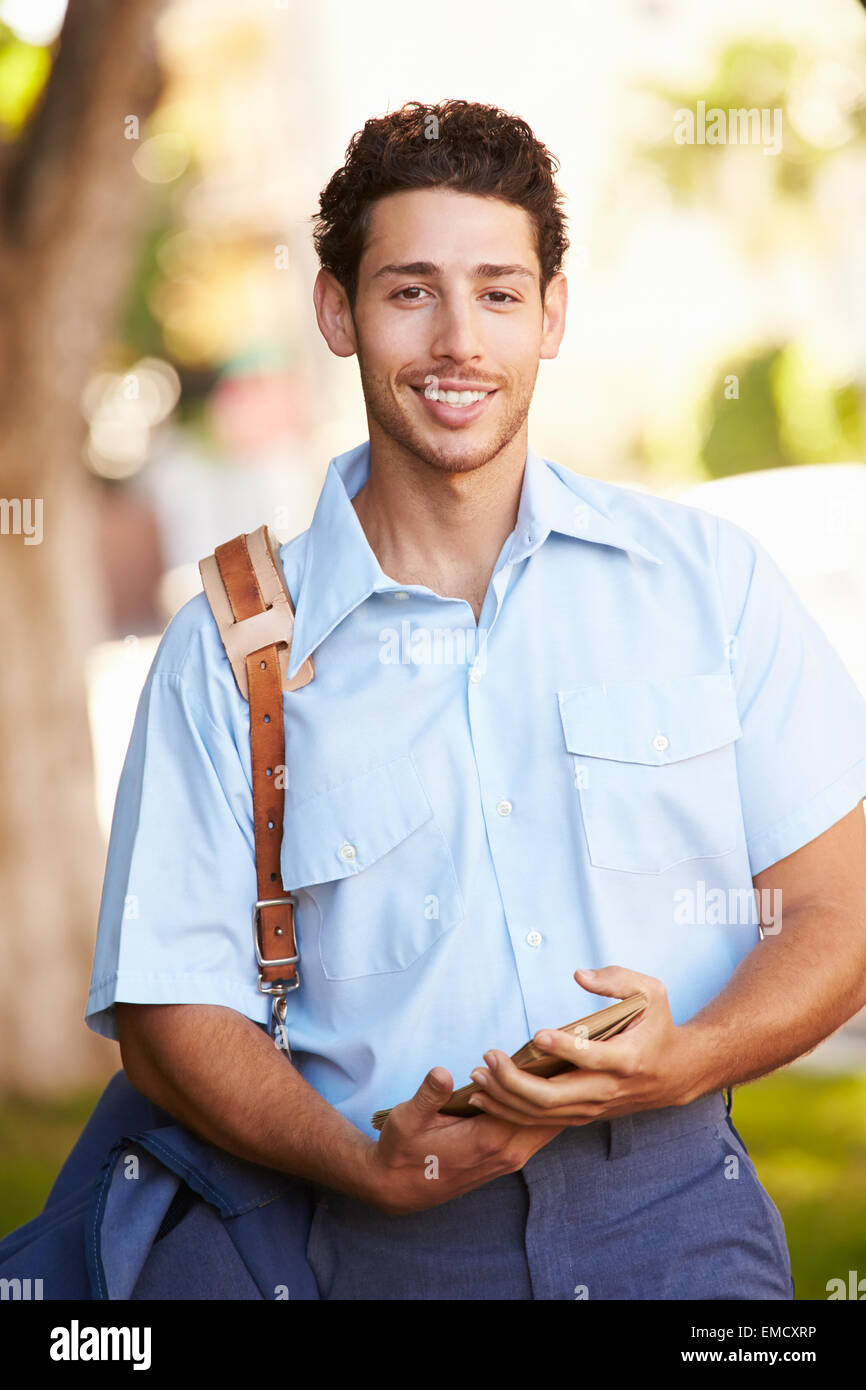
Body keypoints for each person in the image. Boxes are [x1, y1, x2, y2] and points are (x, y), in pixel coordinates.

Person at [86, 100, 866, 1300]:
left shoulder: (703, 583)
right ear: (337, 311)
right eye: (411, 290)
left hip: (675, 1222)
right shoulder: (228, 651)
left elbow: (838, 903)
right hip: (368, 1240)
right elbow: (168, 1012)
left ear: (551, 315)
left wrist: (685, 1059)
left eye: (498, 292)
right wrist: (357, 1162)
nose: (458, 339)